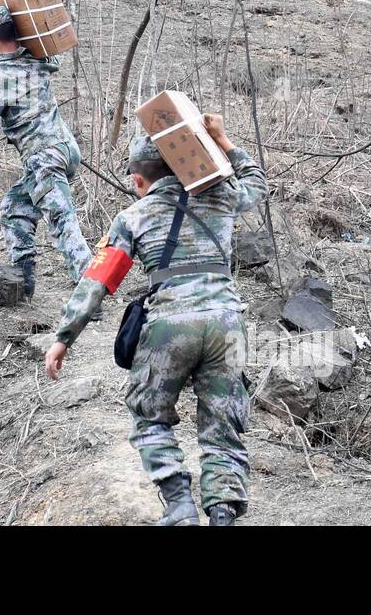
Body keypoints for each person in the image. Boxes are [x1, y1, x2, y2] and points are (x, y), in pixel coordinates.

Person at [43, 118, 268, 526]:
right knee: (223, 424)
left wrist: (64, 337)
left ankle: (179, 504)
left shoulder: (132, 217)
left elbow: (96, 282)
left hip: (169, 325)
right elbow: (257, 181)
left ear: (137, 179)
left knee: (149, 414)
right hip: (227, 323)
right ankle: (222, 512)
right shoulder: (221, 198)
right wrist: (222, 140)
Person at [0, 6, 91, 297]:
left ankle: (92, 294)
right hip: (65, 151)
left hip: (44, 157)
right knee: (14, 209)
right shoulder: (38, 60)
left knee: (64, 224)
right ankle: (21, 283)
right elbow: (50, 57)